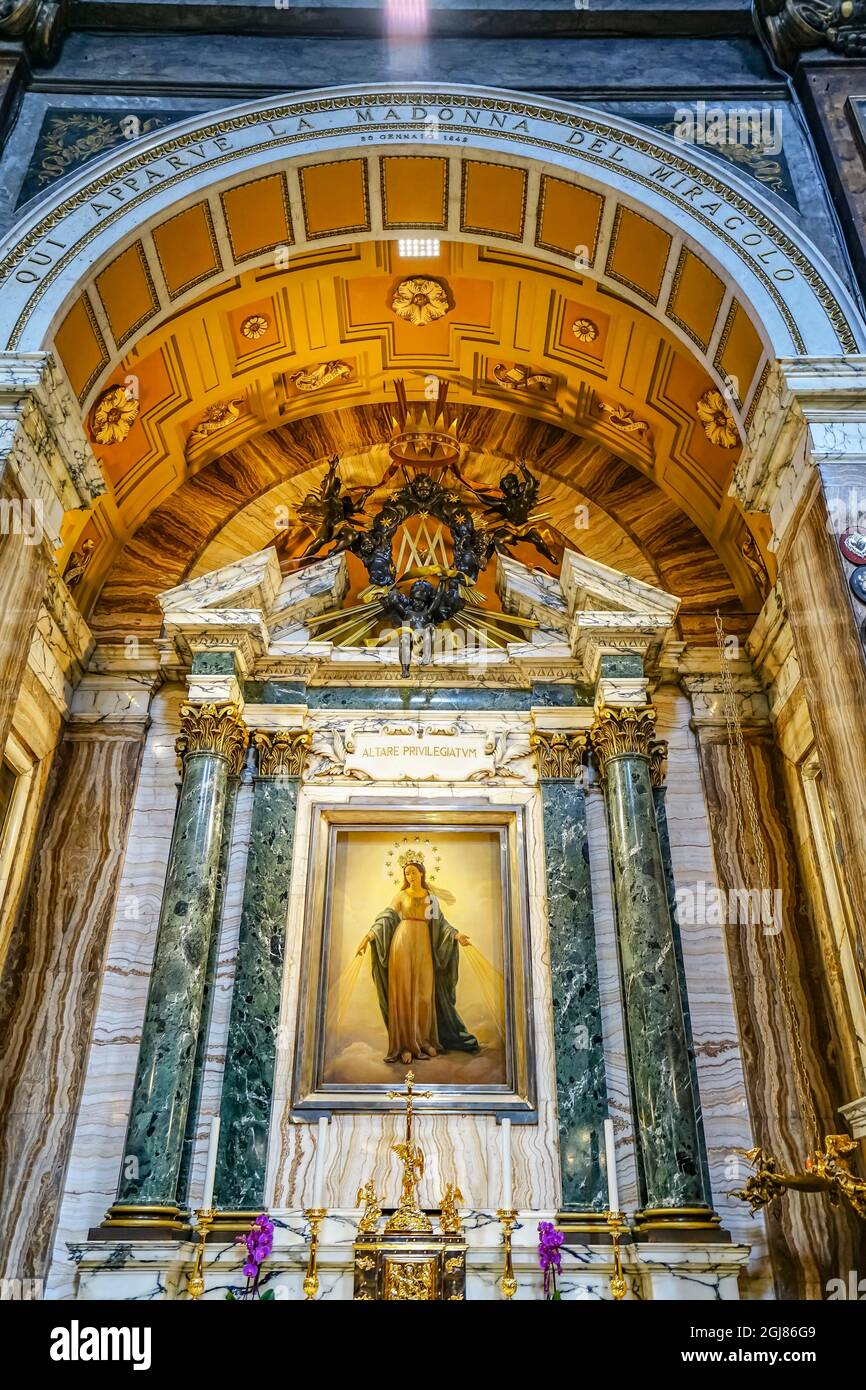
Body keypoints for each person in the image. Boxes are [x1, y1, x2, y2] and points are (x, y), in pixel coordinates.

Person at [356, 857, 479, 1065]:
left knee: (424, 993)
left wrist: (456, 935)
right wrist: (368, 937)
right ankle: (405, 1045)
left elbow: (439, 922)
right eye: (407, 873)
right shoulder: (401, 895)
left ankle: (424, 1041)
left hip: (423, 946)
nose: (409, 876)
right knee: (404, 994)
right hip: (402, 944)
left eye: (413, 872)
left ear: (421, 873)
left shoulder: (431, 898)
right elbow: (385, 918)